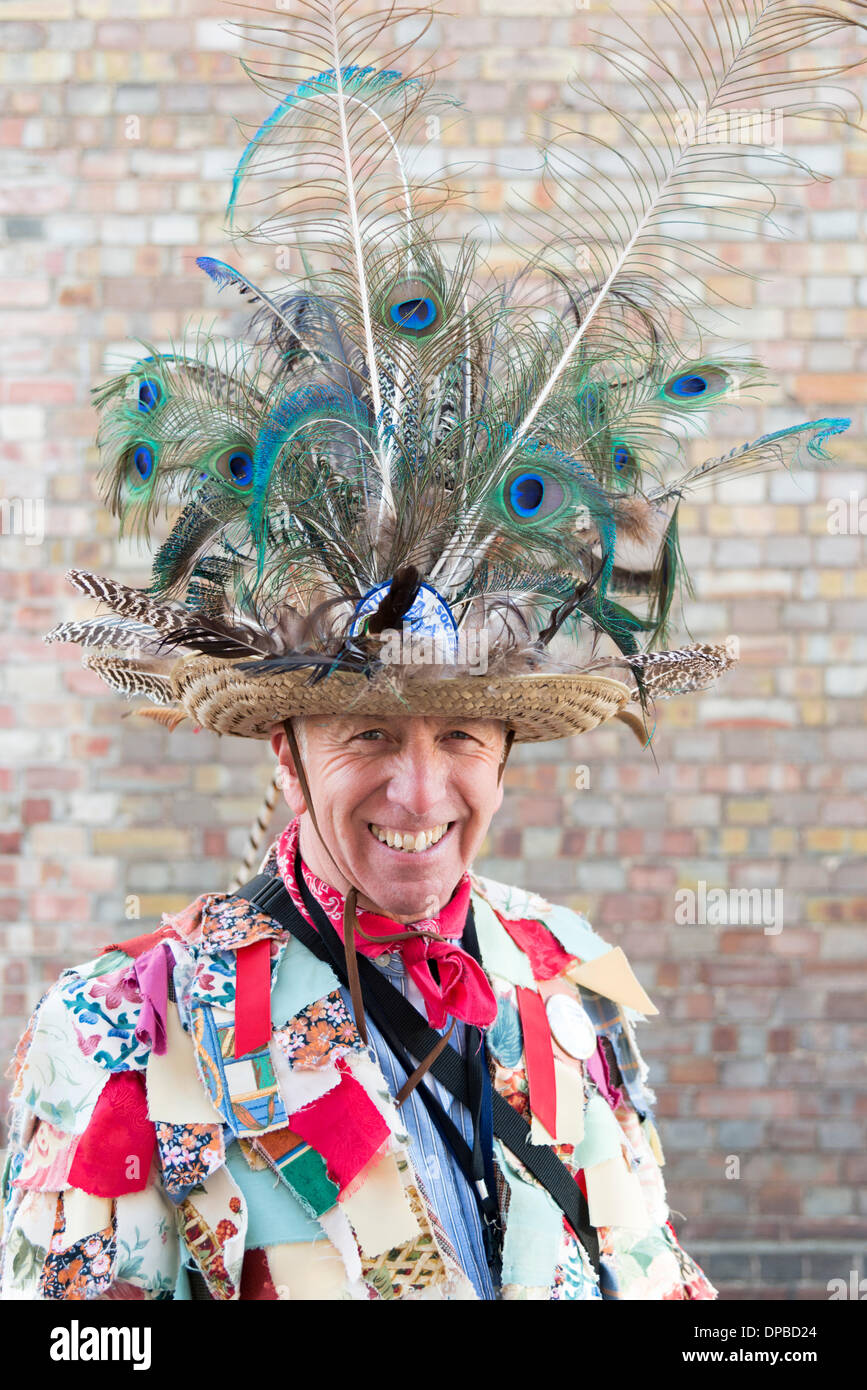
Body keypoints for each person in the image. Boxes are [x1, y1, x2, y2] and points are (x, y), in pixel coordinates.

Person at [2, 0, 862, 1302]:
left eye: (459, 732)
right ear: (285, 756)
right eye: (366, 734)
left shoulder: (573, 979)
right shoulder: (126, 1028)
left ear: (507, 755)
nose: (419, 792)